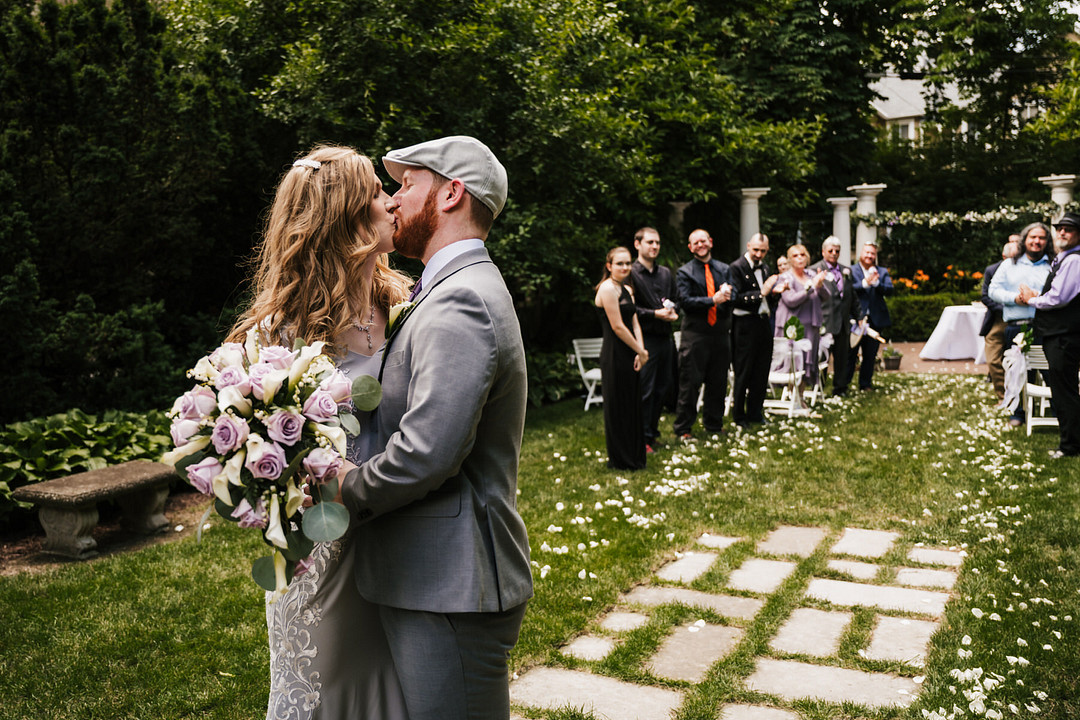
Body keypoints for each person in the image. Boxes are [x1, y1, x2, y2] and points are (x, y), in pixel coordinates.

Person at [339, 136, 533, 720]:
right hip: (436, 577)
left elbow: (427, 453)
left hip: (451, 582)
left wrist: (342, 487)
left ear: (450, 193)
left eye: (407, 184)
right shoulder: (447, 290)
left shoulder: (461, 301)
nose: (395, 200)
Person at [226, 145, 412, 720]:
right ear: (349, 217)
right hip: (321, 550)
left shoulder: (404, 304)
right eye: (378, 193)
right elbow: (255, 447)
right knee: (326, 693)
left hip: (402, 529)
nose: (392, 201)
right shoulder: (276, 331)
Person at [1019, 212, 1080, 458]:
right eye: (1060, 228)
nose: (1062, 232)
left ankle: (1071, 446)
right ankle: (1071, 442)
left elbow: (1059, 298)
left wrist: (1031, 299)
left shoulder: (1075, 260)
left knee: (1065, 391)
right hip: (1059, 334)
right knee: (1063, 388)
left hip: (1065, 336)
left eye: (1069, 229)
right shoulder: (1064, 259)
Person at [989, 223, 1051, 427]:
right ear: (1025, 240)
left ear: (1047, 242)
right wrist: (1015, 298)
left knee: (1049, 369)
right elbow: (993, 291)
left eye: (1041, 238)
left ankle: (1058, 409)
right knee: (1017, 370)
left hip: (1045, 325)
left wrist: (1036, 297)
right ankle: (1018, 412)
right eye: (1033, 237)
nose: (1037, 241)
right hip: (1017, 326)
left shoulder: (1052, 264)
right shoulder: (1009, 264)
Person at [674, 228, 733, 438]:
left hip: (720, 333)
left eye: (703, 241)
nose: (700, 245)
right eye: (695, 243)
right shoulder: (684, 272)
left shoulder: (724, 269)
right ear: (690, 248)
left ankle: (714, 424)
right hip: (696, 335)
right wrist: (713, 300)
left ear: (711, 242)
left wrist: (728, 297)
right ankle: (683, 428)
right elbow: (685, 302)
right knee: (690, 383)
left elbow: (731, 300)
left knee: (718, 382)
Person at [596, 246, 649, 469]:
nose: (625, 267)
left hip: (632, 352)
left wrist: (641, 351)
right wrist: (640, 350)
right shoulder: (607, 289)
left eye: (628, 263)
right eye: (620, 263)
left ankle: (635, 456)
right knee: (618, 405)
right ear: (609, 266)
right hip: (615, 354)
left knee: (632, 403)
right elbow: (617, 327)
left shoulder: (626, 288)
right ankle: (621, 460)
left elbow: (635, 322)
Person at [630, 227, 678, 452]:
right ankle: (641, 437)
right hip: (645, 338)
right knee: (646, 389)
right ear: (637, 244)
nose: (655, 246)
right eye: (650, 242)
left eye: (657, 242)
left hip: (665, 337)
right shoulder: (631, 273)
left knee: (663, 387)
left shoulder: (666, 273)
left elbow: (674, 300)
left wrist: (673, 312)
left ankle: (652, 433)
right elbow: (628, 309)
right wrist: (654, 314)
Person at [730, 232, 783, 425]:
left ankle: (755, 413)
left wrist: (775, 293)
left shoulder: (766, 268)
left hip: (763, 322)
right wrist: (761, 292)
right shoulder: (736, 268)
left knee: (762, 370)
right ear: (748, 246)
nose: (759, 254)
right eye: (756, 250)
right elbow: (735, 298)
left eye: (763, 251)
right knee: (743, 371)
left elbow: (767, 299)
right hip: (744, 324)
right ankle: (739, 415)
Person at [809, 236, 859, 396]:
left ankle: (840, 388)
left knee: (842, 358)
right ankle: (819, 388)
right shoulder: (814, 269)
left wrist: (858, 315)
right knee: (821, 357)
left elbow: (852, 296)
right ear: (823, 252)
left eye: (837, 251)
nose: (834, 253)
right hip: (825, 321)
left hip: (843, 322)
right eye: (830, 250)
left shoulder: (846, 270)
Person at [774, 244, 829, 388]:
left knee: (807, 363)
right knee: (793, 363)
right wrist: (811, 287)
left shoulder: (811, 275)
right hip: (793, 327)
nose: (800, 258)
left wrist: (820, 285)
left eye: (802, 255)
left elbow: (826, 296)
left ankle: (800, 396)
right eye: (795, 255)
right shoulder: (785, 278)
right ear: (790, 260)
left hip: (811, 325)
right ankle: (794, 396)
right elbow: (790, 300)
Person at [847, 241, 894, 391]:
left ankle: (865, 384)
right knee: (850, 354)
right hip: (855, 319)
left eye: (872, 253)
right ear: (861, 253)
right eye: (867, 252)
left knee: (870, 354)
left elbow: (890, 289)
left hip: (874, 319)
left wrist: (876, 284)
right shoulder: (851, 271)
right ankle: (844, 385)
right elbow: (847, 290)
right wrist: (864, 284)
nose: (869, 256)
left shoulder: (882, 271)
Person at [981, 238, 1020, 403]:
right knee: (993, 358)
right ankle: (1002, 396)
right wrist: (1007, 309)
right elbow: (985, 296)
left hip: (1020, 321)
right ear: (1004, 258)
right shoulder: (992, 270)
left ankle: (1020, 397)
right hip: (998, 320)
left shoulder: (1025, 270)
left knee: (1020, 361)